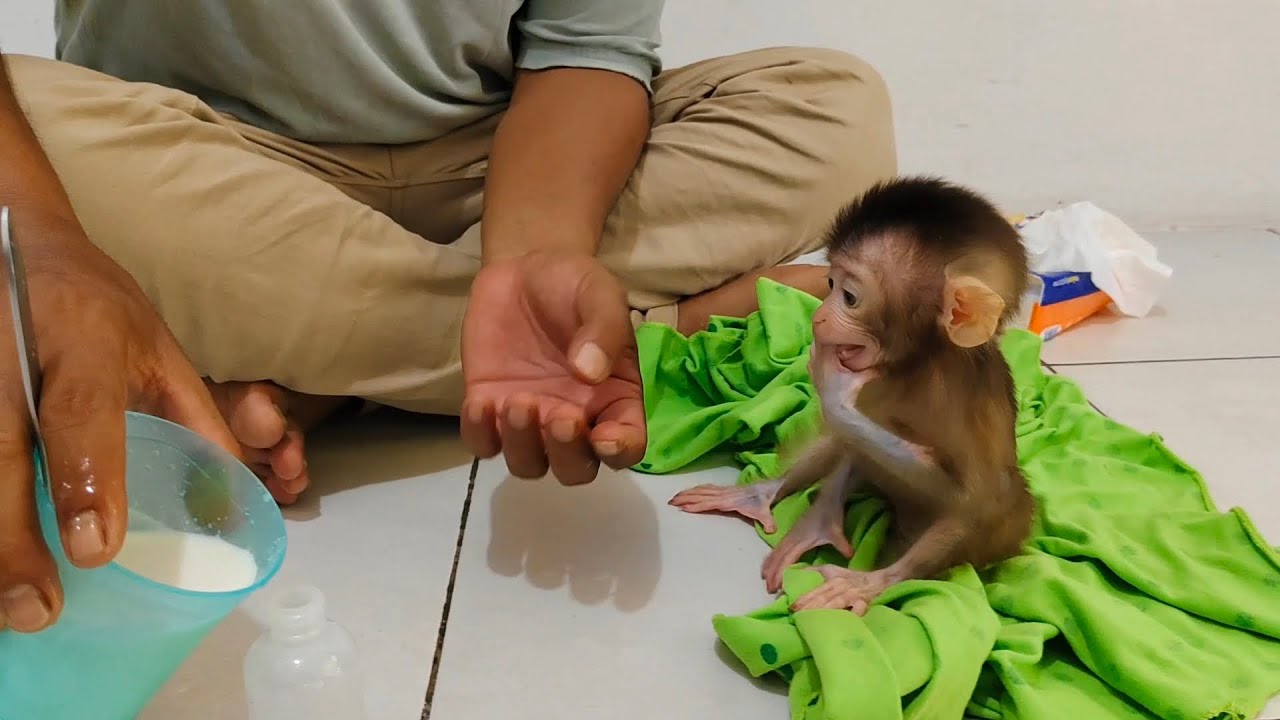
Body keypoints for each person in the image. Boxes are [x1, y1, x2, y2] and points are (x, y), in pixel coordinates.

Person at [0, 1, 895, 633]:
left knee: (834, 111)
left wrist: (536, 254)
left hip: (494, 158)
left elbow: (586, 50)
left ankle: (327, 366)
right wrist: (45, 239)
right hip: (193, 151)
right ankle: (656, 328)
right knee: (26, 133)